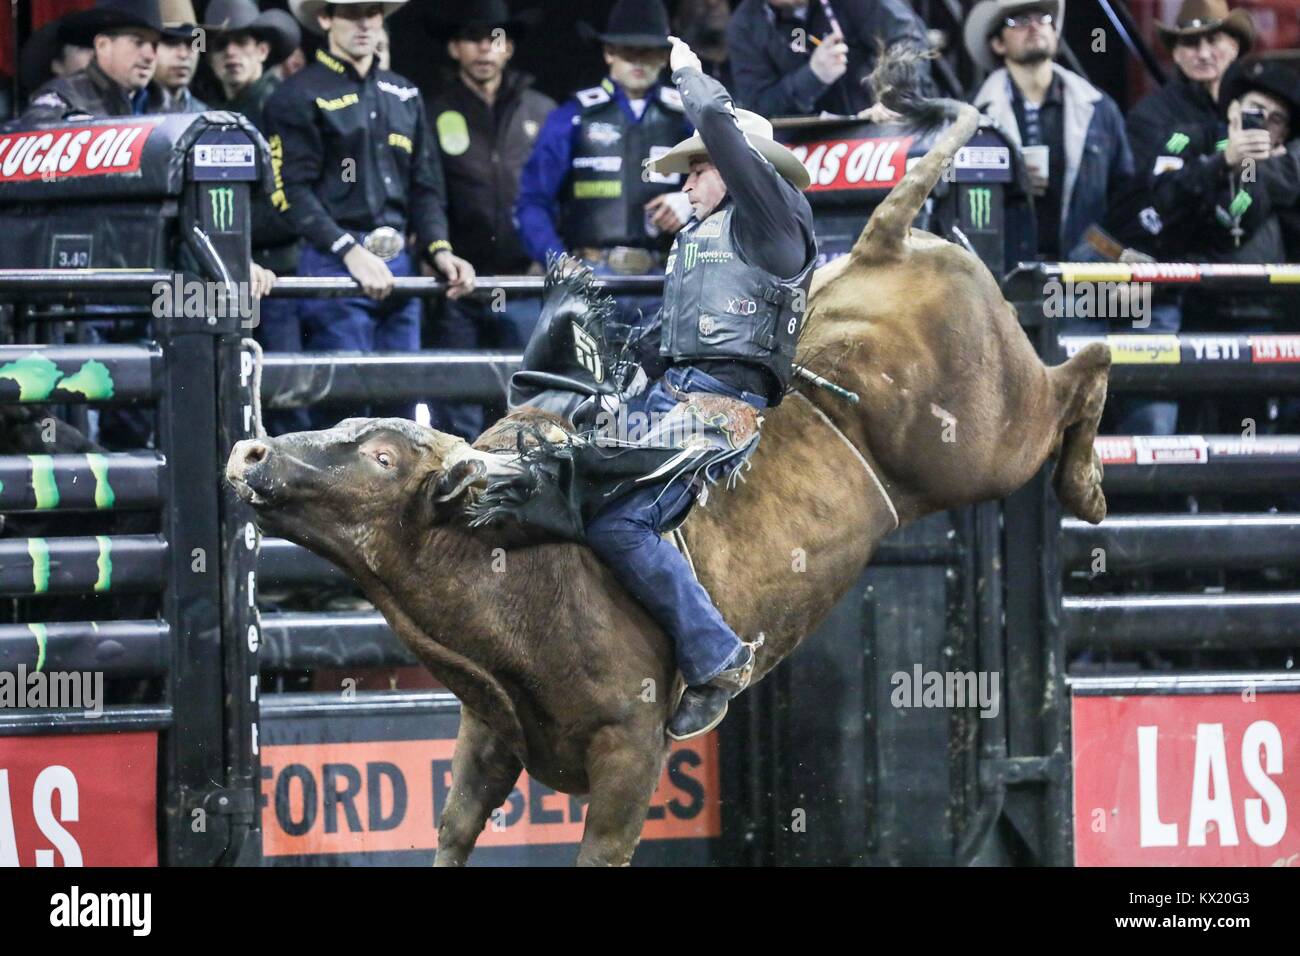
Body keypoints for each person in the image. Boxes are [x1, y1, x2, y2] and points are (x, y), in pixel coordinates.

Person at [584, 36, 818, 741]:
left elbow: (719, 123)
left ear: (740, 170)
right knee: (566, 475)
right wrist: (615, 379)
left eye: (700, 169)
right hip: (674, 393)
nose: (686, 182)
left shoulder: (773, 220)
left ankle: (715, 657)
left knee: (619, 523)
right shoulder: (705, 237)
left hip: (719, 406)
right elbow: (670, 335)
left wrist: (686, 71)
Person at [264, 0, 476, 428]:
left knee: (403, 405)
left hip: (399, 265)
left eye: (372, 13)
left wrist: (440, 249)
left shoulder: (404, 93)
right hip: (333, 264)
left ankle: (399, 498)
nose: (364, 24)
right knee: (344, 406)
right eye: (351, 13)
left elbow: (426, 185)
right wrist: (347, 250)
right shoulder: (297, 94)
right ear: (325, 19)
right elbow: (288, 191)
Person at [1113, 0, 1254, 435]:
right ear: (1174, 53)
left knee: (1246, 424)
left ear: (1235, 46)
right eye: (1190, 43)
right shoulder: (1151, 117)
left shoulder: (1263, 107)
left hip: (1244, 291)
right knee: (1160, 424)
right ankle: (1161, 501)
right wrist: (1221, 163)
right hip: (1167, 288)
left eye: (1214, 39)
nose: (1204, 52)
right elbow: (1149, 208)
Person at [515, 0, 693, 341]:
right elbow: (531, 203)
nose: (639, 61)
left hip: (667, 278)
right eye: (629, 51)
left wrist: (688, 201)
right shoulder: (572, 117)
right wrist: (558, 261)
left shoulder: (687, 118)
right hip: (591, 278)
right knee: (588, 389)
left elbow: (729, 184)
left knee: (661, 390)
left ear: (664, 56)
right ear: (609, 52)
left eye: (650, 52)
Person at [423, 0, 556, 441]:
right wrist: (431, 250)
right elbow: (425, 193)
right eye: (472, 38)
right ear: (454, 48)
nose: (484, 48)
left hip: (524, 283)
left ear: (510, 47)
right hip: (457, 285)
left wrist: (550, 255)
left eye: (494, 37)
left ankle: (518, 506)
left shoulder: (542, 110)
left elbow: (562, 194)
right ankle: (458, 507)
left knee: (525, 406)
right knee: (455, 411)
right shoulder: (431, 109)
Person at [966, 0, 1134, 264]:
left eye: (1043, 18)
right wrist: (1009, 183)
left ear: (1054, 33)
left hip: (1083, 277)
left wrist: (1105, 256)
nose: (1034, 26)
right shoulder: (971, 116)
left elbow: (1126, 196)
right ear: (998, 43)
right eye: (1018, 21)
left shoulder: (1099, 109)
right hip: (1000, 275)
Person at [206, 0, 306, 433]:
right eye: (221, 45)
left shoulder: (278, 106)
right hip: (235, 275)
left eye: (242, 43)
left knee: (280, 394)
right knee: (249, 393)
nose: (231, 54)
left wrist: (242, 251)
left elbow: (287, 203)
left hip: (275, 276)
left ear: (263, 50)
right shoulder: (218, 113)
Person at [725, 0, 931, 118]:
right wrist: (812, 77)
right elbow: (758, 109)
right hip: (808, 152)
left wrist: (894, 99)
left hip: (881, 126)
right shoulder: (746, 25)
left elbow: (907, 37)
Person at [23, 0, 166, 123]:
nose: (150, 56)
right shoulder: (62, 100)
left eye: (155, 45)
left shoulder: (167, 103)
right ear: (103, 46)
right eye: (138, 42)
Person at [153, 0, 208, 113]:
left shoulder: (207, 116)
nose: (183, 55)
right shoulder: (126, 112)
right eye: (171, 42)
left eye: (191, 43)